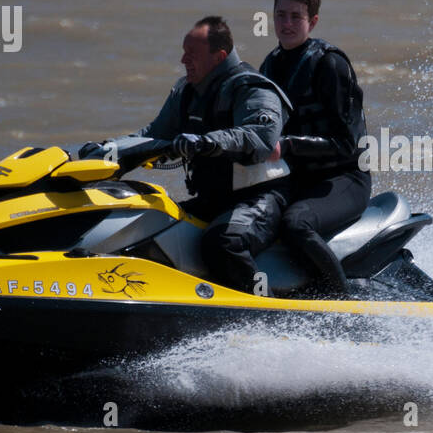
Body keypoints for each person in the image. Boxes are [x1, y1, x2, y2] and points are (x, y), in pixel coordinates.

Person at [82, 16, 291, 294]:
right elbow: (152, 135)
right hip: (214, 200)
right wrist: (106, 149)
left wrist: (208, 142)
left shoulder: (252, 89)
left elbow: (260, 137)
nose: (183, 60)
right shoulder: (186, 92)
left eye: (192, 54)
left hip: (260, 198)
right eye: (184, 52)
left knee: (223, 242)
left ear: (219, 57)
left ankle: (266, 310)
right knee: (153, 223)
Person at [259, 0, 371, 297]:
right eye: (281, 15)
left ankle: (342, 305)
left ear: (313, 21)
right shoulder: (270, 66)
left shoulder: (330, 64)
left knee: (295, 224)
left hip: (345, 179)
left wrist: (287, 146)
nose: (287, 24)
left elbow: (347, 145)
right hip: (299, 180)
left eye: (296, 16)